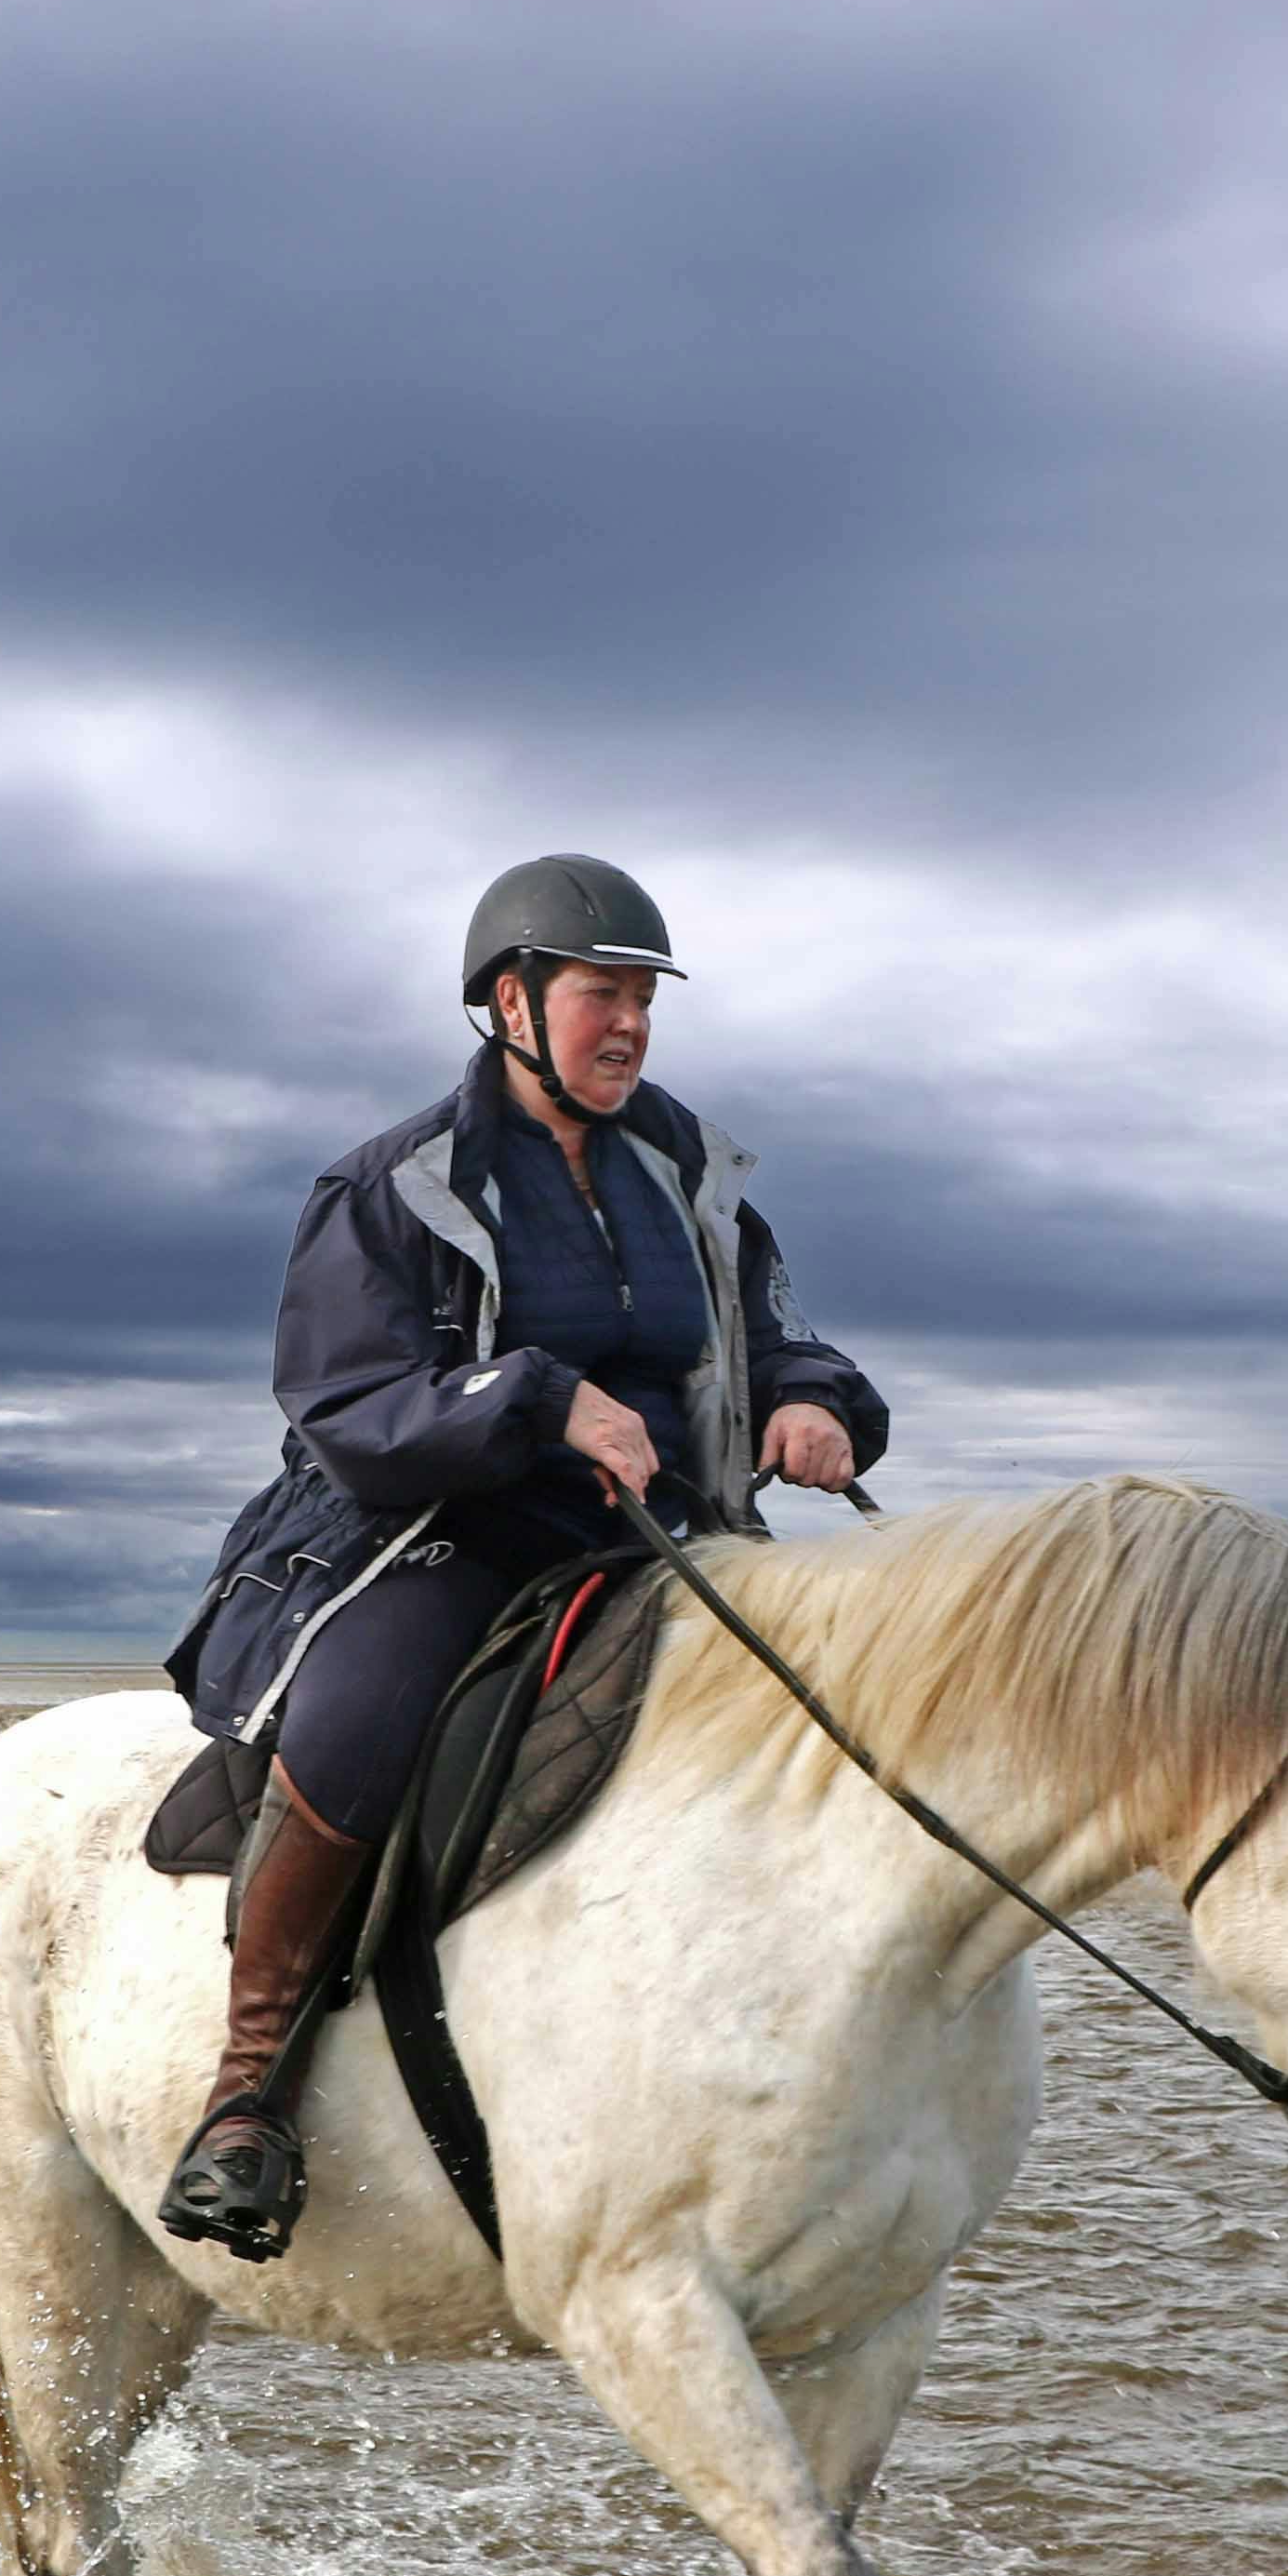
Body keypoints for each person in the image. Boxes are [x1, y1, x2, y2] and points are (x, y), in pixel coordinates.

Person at [153, 855, 890, 2257]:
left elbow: (776, 1328)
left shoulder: (691, 1168)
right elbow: (346, 1403)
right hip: (437, 1539)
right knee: (362, 1724)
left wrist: (813, 1398)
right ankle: (246, 2094)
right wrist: (536, 1399)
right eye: (599, 995)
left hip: (670, 1543)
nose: (627, 1025)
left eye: (641, 1001)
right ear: (510, 1000)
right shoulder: (386, 1184)